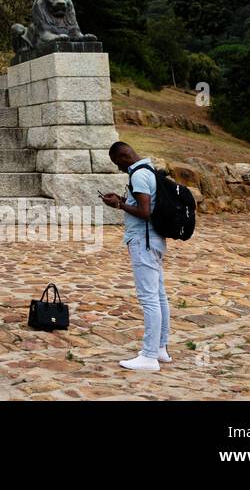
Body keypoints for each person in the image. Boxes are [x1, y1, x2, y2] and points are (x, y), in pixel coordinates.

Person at [101, 141, 171, 371]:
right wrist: (121, 201)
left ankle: (149, 356)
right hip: (154, 239)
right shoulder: (149, 170)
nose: (118, 168)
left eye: (117, 163)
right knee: (159, 295)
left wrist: (119, 205)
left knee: (149, 298)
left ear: (124, 156)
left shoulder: (139, 175)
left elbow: (144, 211)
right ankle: (160, 348)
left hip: (143, 241)